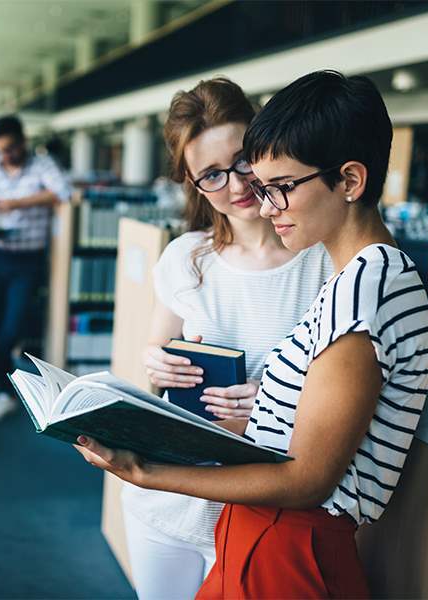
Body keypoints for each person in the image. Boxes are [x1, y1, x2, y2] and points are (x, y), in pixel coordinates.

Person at [76, 70, 428, 599]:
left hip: (286, 539)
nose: (258, 200)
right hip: (260, 530)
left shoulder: (363, 287)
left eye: (279, 186)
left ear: (350, 182)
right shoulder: (355, 280)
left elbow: (306, 480)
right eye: (214, 176)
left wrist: (148, 471)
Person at [121, 78, 333, 600]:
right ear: (193, 184)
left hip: (260, 510)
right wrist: (156, 362)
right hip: (168, 500)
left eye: (243, 161)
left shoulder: (324, 263)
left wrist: (276, 401)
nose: (236, 185)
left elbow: (339, 397)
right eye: (212, 175)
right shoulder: (185, 257)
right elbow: (156, 359)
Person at [0, 115, 72, 422]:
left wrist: (16, 204)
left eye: (11, 148)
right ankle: (5, 393)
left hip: (27, 260)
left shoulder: (43, 165)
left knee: (12, 330)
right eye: (0, 150)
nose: (6, 155)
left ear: (23, 141)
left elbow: (62, 192)